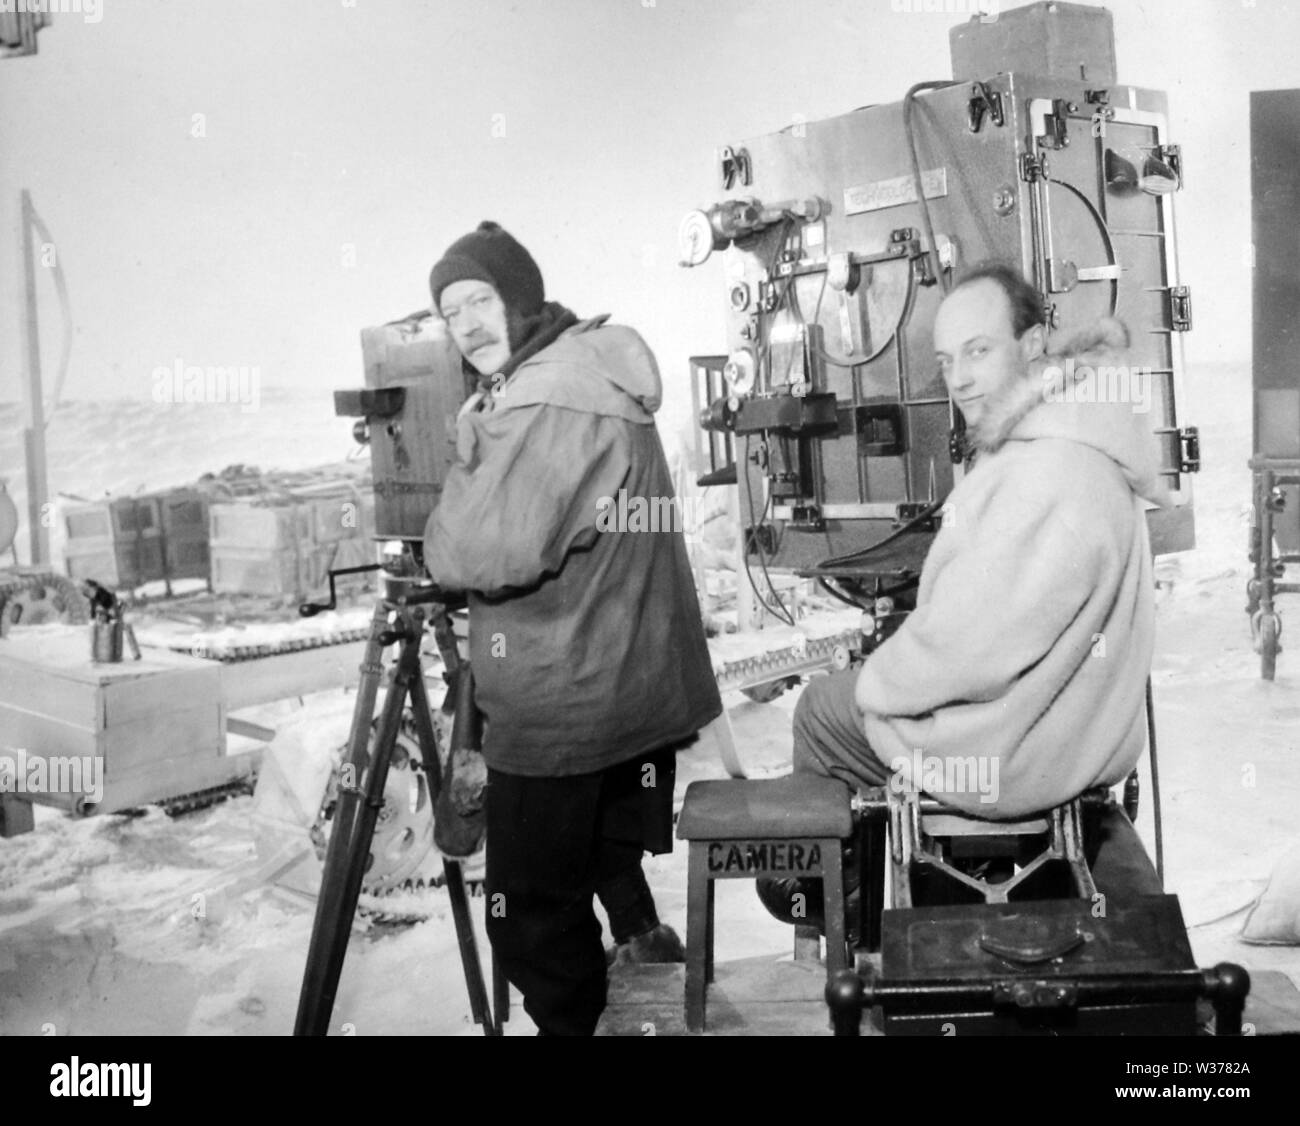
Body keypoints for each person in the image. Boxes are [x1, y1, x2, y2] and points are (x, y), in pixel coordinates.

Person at [760, 261, 1168, 923]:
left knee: (822, 709)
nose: (960, 379)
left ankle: (843, 917)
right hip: (1069, 722)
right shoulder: (1077, 436)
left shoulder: (1046, 467)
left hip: (1024, 748)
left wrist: (882, 677)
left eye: (979, 351)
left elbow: (968, 653)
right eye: (948, 360)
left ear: (1033, 345)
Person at [422, 221, 723, 1035]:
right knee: (595, 854)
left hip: (569, 702)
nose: (470, 325)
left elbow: (471, 551)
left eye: (481, 300)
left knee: (527, 918)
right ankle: (642, 958)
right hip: (624, 682)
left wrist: (464, 465)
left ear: (520, 300)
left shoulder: (549, 396)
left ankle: (580, 1026)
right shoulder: (583, 371)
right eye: (453, 315)